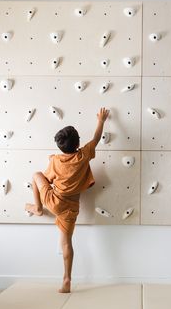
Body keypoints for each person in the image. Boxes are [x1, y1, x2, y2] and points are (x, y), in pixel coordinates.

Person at [25, 107, 110, 293]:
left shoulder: (56, 160)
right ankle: (66, 280)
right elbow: (96, 139)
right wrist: (101, 120)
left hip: (53, 200)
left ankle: (38, 208)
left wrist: (56, 166)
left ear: (60, 147)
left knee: (36, 175)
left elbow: (46, 179)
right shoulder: (83, 155)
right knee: (66, 243)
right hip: (70, 208)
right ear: (78, 143)